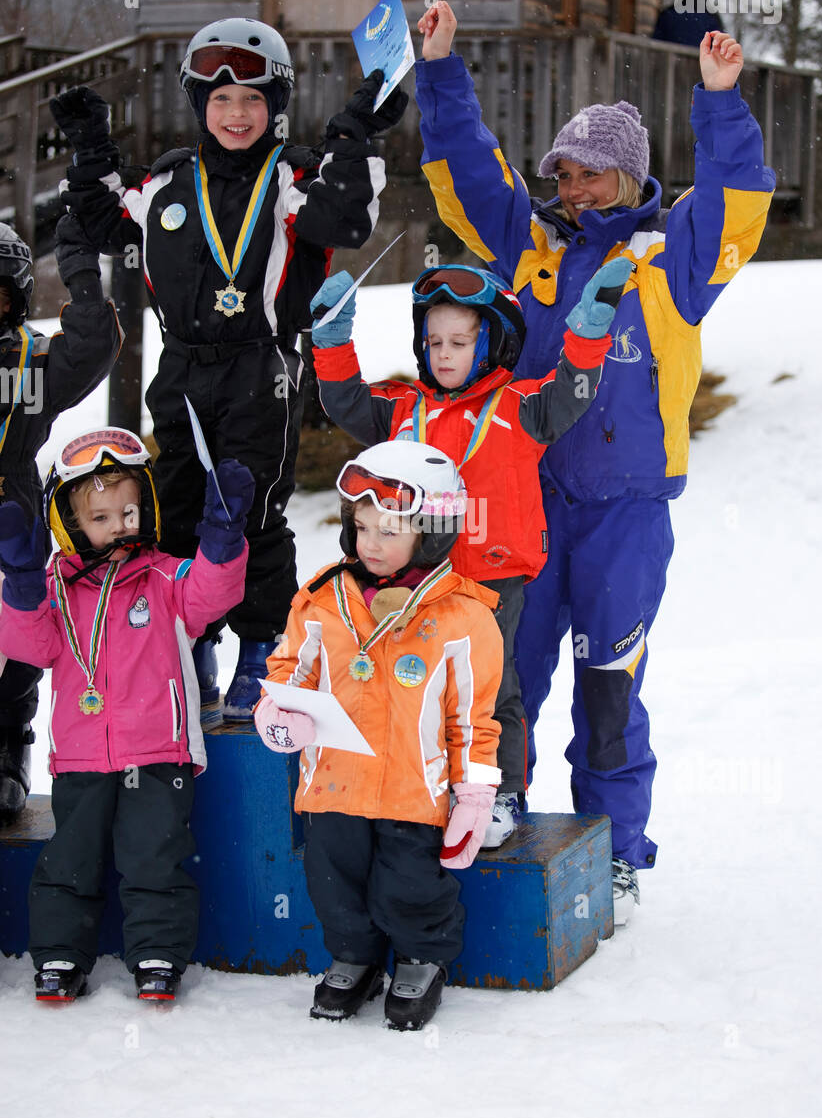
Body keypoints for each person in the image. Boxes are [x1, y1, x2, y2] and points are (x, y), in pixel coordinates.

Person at [415, 0, 775, 924]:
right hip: (525, 509)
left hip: (626, 516)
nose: (573, 189)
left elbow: (737, 200)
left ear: (629, 178)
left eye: (592, 175)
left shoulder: (672, 259)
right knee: (508, 680)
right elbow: (466, 174)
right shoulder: (530, 250)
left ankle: (614, 852)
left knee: (609, 691)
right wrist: (443, 69)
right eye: (565, 175)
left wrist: (720, 100)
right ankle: (495, 816)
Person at [49, 16, 407, 720]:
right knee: (178, 509)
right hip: (181, 369)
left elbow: (347, 221)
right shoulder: (167, 183)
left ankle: (261, 647)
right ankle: (193, 646)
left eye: (252, 99)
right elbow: (94, 219)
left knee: (251, 509)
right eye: (219, 100)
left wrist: (353, 129)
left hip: (260, 366)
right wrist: (91, 145)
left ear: (275, 106)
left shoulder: (295, 177)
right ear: (197, 105)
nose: (236, 114)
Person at [308, 255, 632, 847]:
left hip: (491, 583)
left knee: (490, 689)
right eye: (434, 341)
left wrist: (588, 334)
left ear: (493, 343)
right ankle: (426, 784)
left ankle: (501, 793)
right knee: (415, 686)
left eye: (460, 341)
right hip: (417, 584)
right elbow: (345, 403)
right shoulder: (406, 411)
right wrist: (330, 341)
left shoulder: (521, 407)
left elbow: (573, 394)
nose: (444, 354)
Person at [254, 440, 503, 1031]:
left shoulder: (465, 617)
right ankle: (354, 954)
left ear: (434, 533)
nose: (370, 543)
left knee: (410, 883)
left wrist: (473, 795)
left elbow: (472, 719)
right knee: (332, 878)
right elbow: (287, 669)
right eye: (362, 526)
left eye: (390, 531)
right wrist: (279, 713)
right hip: (333, 784)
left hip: (413, 792)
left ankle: (422, 956)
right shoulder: (322, 597)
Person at [0, 428, 253, 1002]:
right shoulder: (52, 589)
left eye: (129, 510)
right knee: (70, 858)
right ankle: (61, 956)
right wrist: (18, 581)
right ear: (68, 521)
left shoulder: (166, 576)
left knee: (154, 857)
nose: (119, 525)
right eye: (100, 516)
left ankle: (158, 954)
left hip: (159, 751)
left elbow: (212, 596)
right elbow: (31, 647)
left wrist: (222, 535)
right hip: (81, 755)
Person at [0, 215, 122, 824]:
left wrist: (80, 272)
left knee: (15, 645)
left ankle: (8, 752)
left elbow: (93, 346)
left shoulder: (34, 357)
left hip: (13, 514)